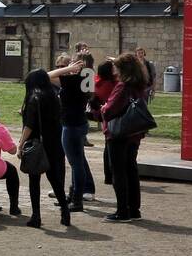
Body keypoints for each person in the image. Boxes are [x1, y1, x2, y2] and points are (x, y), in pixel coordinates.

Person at [101, 52, 150, 223]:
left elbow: (109, 110)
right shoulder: (139, 84)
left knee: (119, 172)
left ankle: (122, 211)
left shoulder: (122, 86)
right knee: (131, 170)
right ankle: (134, 209)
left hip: (119, 133)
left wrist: (103, 108)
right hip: (133, 133)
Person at [18, 68, 68, 228]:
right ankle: (65, 211)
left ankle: (36, 216)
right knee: (55, 179)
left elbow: (29, 126)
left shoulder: (33, 98)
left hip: (36, 144)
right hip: (53, 142)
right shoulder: (53, 96)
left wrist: (20, 144)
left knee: (34, 180)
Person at [53, 52, 96, 210]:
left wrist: (67, 70)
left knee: (76, 163)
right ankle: (73, 196)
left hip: (71, 124)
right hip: (80, 122)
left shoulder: (72, 80)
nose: (67, 66)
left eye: (71, 63)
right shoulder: (86, 79)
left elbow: (46, 76)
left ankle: (77, 199)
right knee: (77, 162)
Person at [91, 59, 117, 185]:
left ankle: (108, 175)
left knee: (108, 145)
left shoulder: (96, 81)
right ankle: (111, 174)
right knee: (110, 147)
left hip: (101, 115)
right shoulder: (111, 84)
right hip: (111, 116)